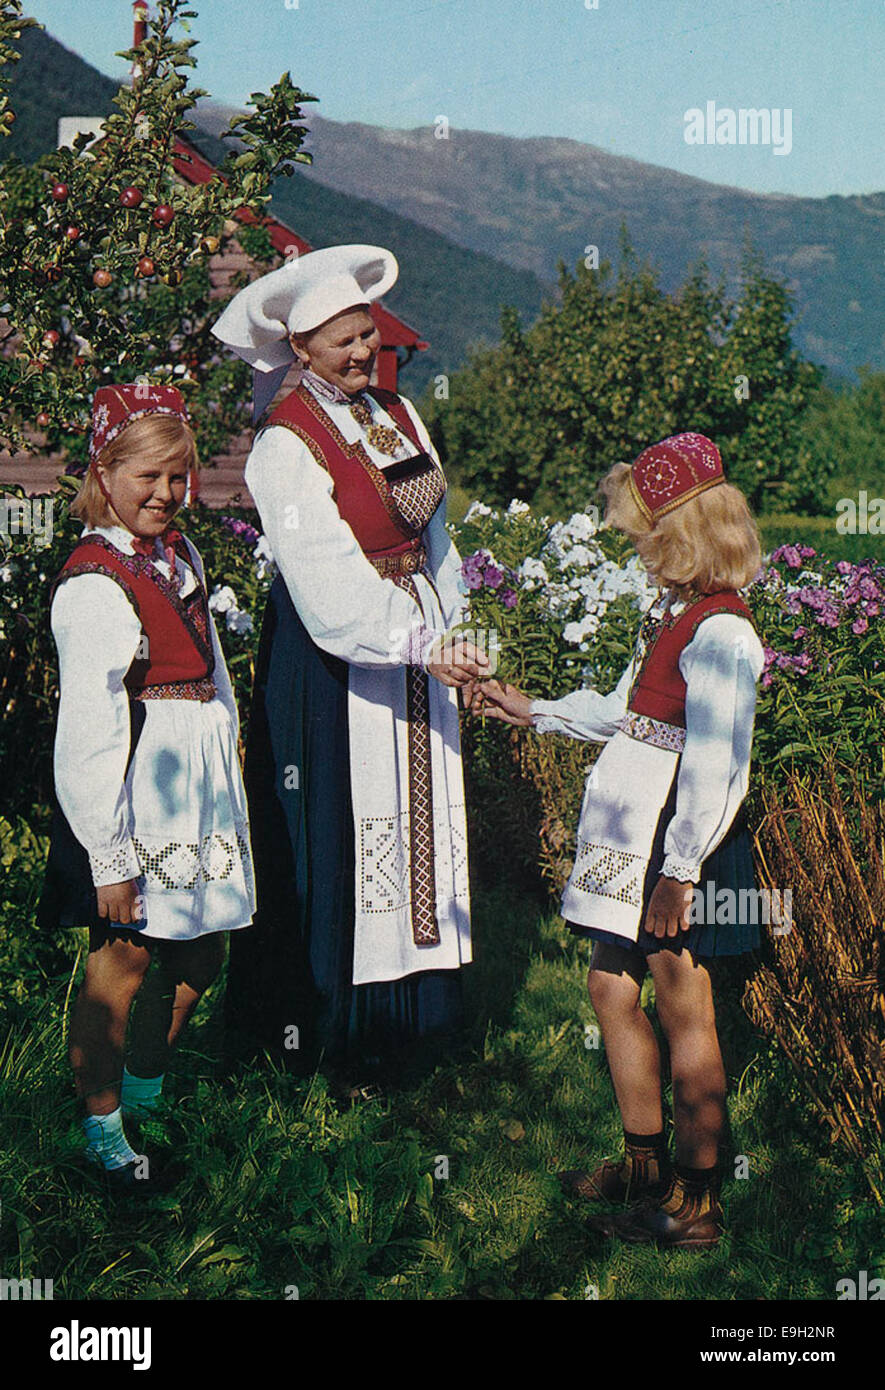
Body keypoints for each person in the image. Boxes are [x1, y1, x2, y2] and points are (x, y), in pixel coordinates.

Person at [475, 433, 764, 1249]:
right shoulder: (671, 612)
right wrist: (534, 709)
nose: (635, 551)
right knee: (611, 989)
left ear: (680, 534)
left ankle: (696, 1202)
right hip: (633, 828)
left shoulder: (723, 633)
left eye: (642, 537)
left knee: (683, 1005)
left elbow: (717, 763)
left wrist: (680, 873)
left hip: (677, 842)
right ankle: (643, 1165)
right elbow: (630, 707)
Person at [211, 245, 486, 1084]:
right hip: (336, 657)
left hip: (417, 642)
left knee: (421, 821)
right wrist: (416, 641)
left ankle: (420, 1021)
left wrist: (459, 626)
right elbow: (325, 579)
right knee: (343, 824)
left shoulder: (399, 415)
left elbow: (434, 538)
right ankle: (333, 1033)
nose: (363, 353)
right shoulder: (285, 445)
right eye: (342, 343)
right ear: (299, 351)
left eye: (366, 335)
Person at [38, 384, 255, 1185]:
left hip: (198, 782)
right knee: (124, 960)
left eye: (179, 478)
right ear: (106, 471)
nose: (166, 494)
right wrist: (111, 854)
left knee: (203, 951)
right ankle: (100, 1128)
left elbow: (214, 673)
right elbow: (90, 730)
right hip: (140, 784)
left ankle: (147, 1090)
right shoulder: (96, 581)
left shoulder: (180, 557)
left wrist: (226, 751)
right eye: (149, 477)